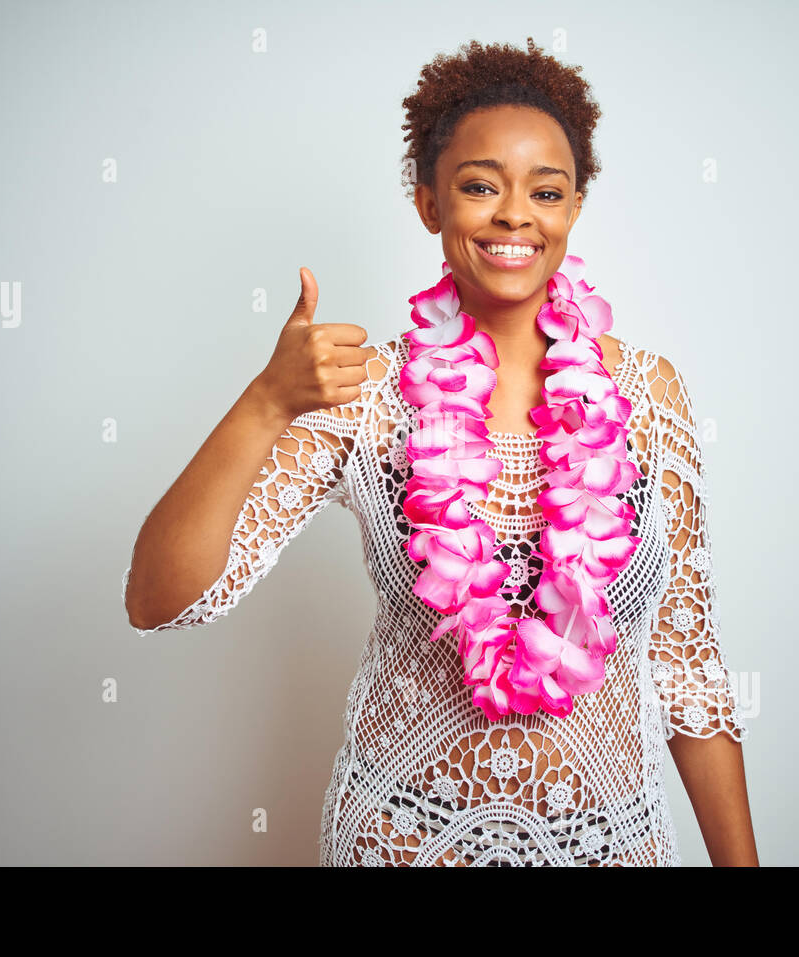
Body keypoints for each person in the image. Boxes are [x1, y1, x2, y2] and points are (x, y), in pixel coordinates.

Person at [123, 38, 757, 867]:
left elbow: (689, 676)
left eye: (547, 191)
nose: (514, 215)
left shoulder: (648, 397)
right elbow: (160, 597)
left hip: (611, 844)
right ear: (429, 202)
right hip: (404, 841)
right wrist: (266, 401)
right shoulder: (368, 395)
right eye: (480, 185)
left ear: (573, 208)